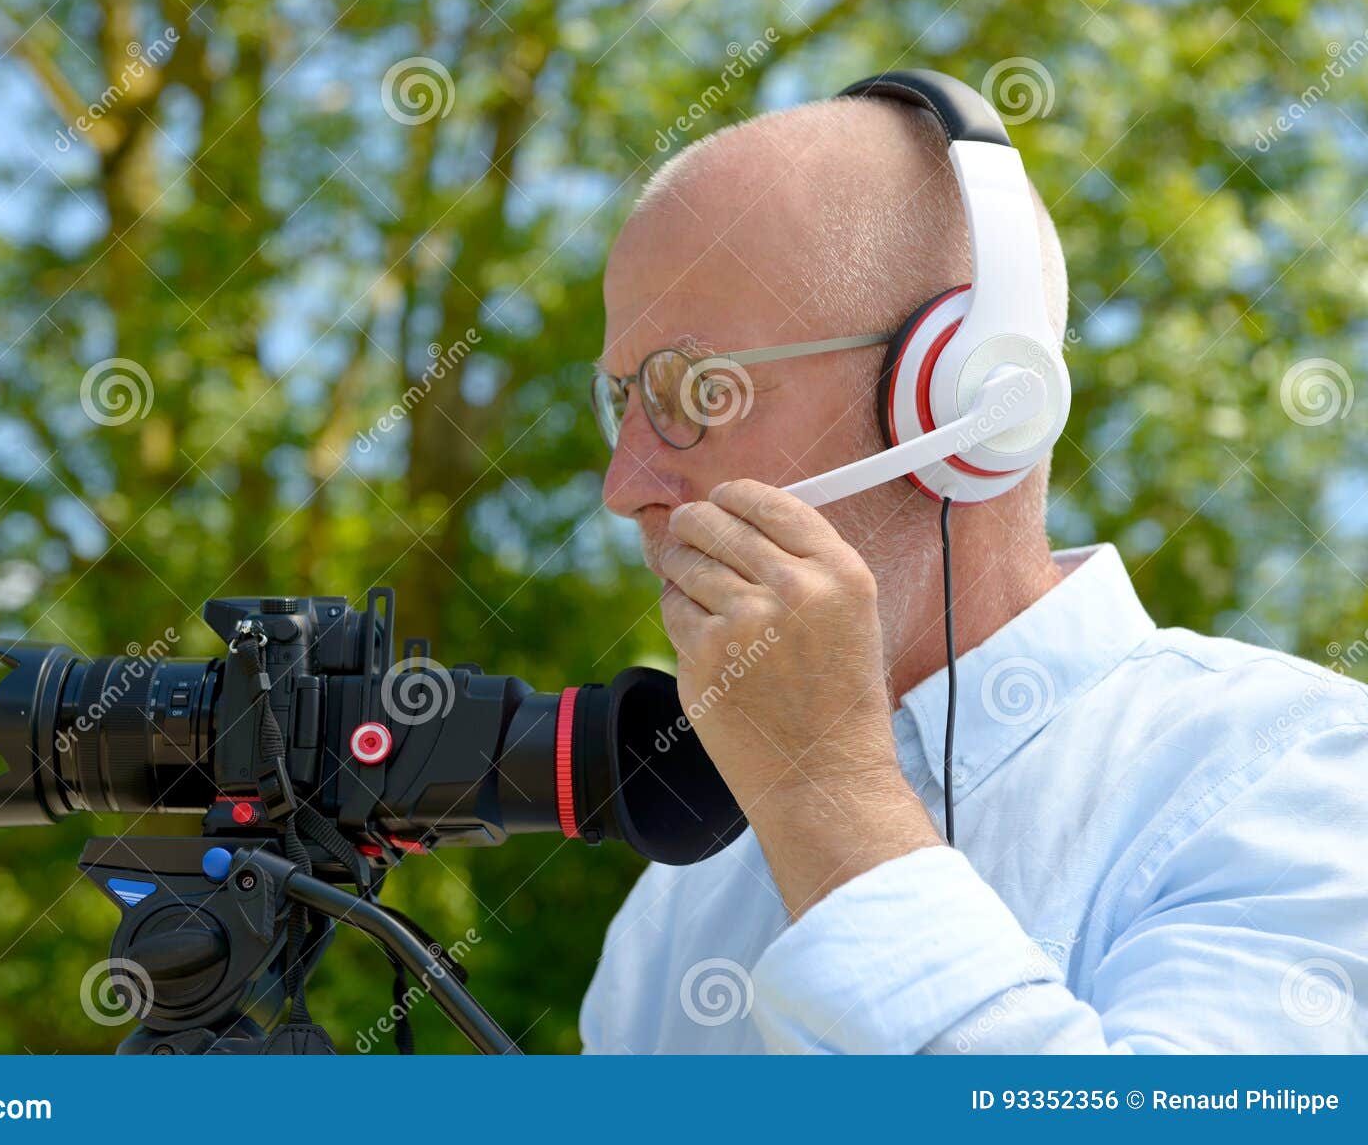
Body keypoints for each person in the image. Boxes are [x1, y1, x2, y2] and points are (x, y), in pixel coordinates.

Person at [579, 90, 1368, 1053]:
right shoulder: (680, 902)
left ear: (967, 397)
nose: (627, 486)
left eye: (695, 391)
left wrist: (832, 800)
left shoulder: (1306, 774)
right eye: (620, 399)